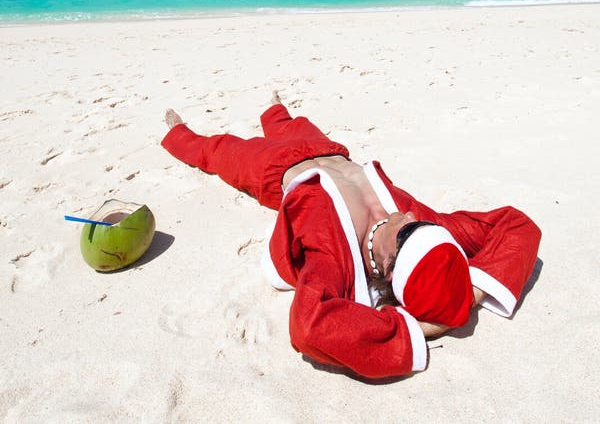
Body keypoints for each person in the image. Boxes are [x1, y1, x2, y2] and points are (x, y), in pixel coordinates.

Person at [161, 93, 541, 380]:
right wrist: (470, 293)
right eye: (424, 224)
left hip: (271, 168)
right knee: (290, 124)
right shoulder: (420, 225)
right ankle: (273, 110)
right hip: (327, 149)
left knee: (215, 150)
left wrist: (420, 327)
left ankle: (176, 130)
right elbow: (516, 226)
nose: (409, 213)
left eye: (408, 227)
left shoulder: (332, 250)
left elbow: (311, 326)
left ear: (390, 264)